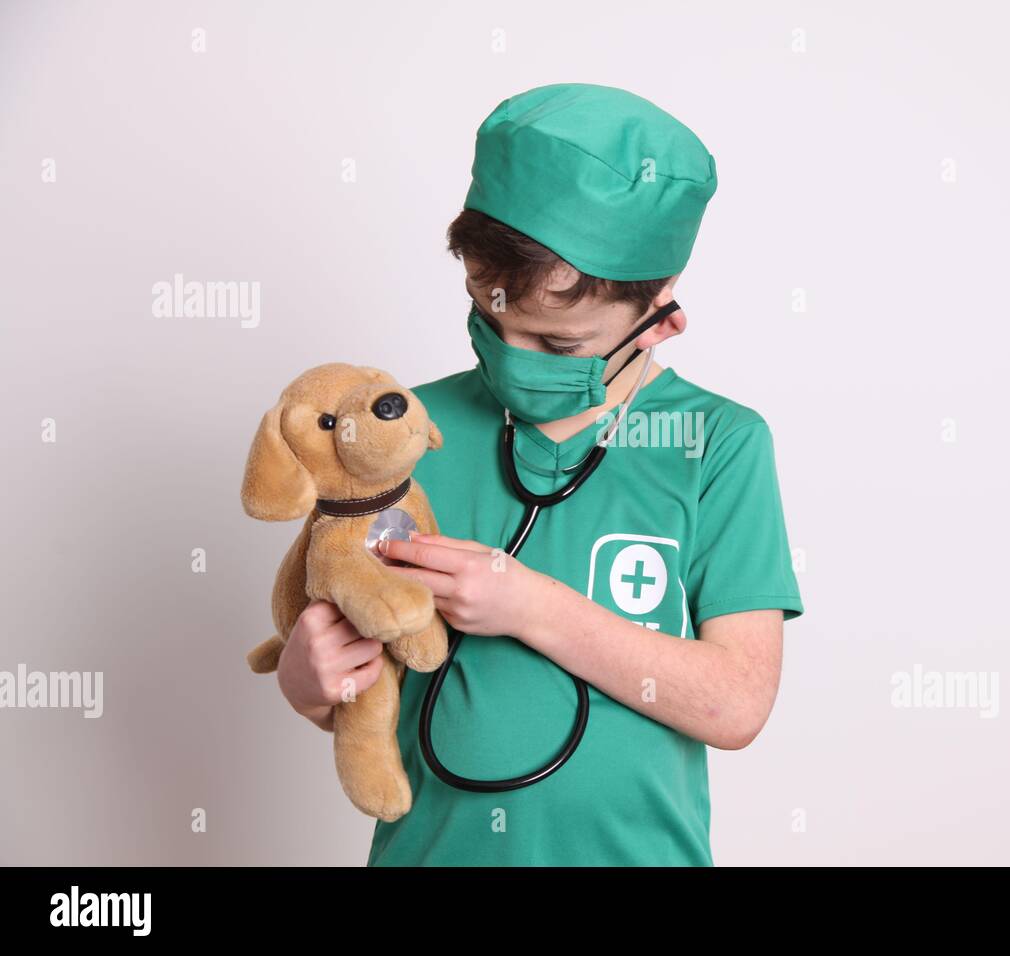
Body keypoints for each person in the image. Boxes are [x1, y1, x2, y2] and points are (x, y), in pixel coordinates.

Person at [274, 83, 803, 866]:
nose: (515, 360)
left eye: (558, 347)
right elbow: (360, 677)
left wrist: (529, 607)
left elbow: (735, 705)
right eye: (491, 324)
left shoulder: (717, 443)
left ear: (662, 310)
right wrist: (306, 682)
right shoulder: (399, 434)